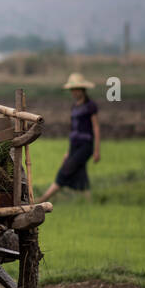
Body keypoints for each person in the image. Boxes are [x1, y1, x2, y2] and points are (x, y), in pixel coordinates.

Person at [42, 72, 101, 202]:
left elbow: (96, 128)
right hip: (74, 145)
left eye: (76, 89)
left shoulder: (91, 106)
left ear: (82, 90)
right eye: (72, 90)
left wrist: (97, 150)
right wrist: (68, 152)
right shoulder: (74, 107)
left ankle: (43, 199)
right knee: (81, 173)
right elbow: (73, 130)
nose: (74, 92)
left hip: (86, 145)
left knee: (65, 171)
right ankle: (90, 201)